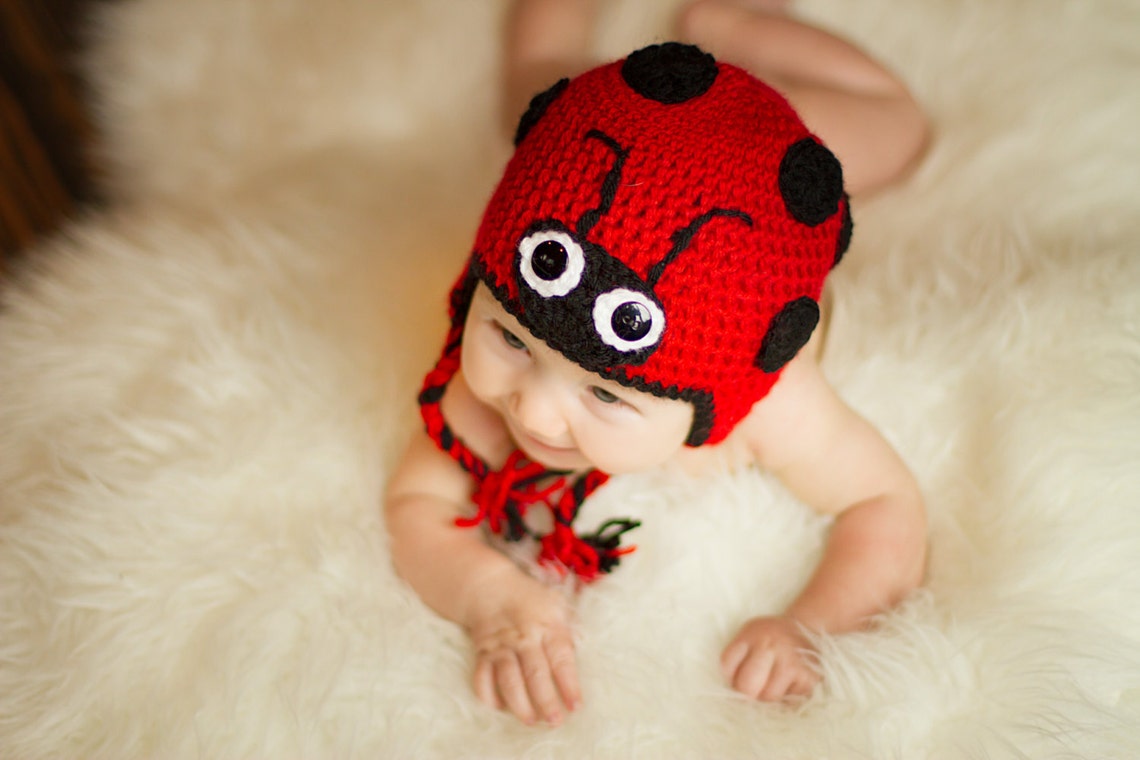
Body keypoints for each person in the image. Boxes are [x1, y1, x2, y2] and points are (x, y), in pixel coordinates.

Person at [386, 0, 929, 727]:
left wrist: (811, 627)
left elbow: (884, 506)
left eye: (606, 395)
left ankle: (727, 26)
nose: (533, 411)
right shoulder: (509, 338)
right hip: (610, 138)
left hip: (759, 165)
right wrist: (489, 595)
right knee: (536, 89)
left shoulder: (776, 403)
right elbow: (414, 503)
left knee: (898, 125)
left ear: (719, 402)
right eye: (512, 340)